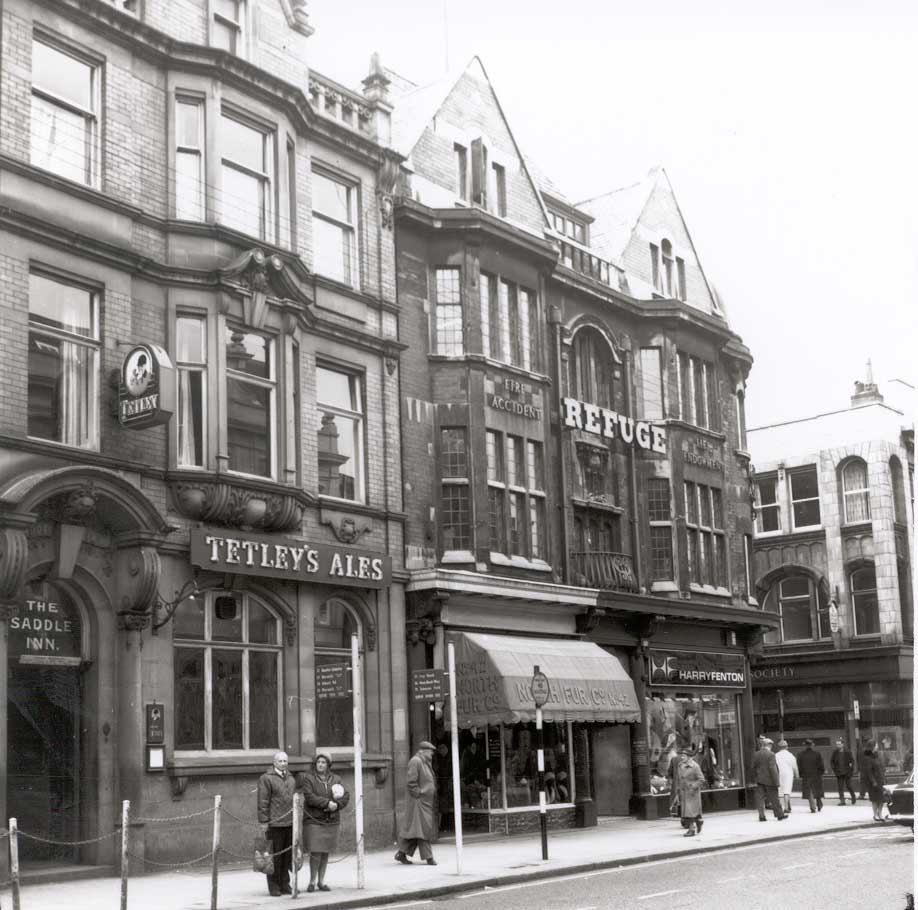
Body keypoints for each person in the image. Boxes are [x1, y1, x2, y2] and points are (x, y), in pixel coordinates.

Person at [296, 754, 349, 893]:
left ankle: (321, 881)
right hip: (314, 820)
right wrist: (327, 803)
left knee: (325, 851)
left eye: (323, 762)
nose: (320, 764)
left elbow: (345, 796)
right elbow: (310, 797)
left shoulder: (336, 779)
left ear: (328, 764)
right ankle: (312, 881)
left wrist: (337, 805)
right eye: (318, 762)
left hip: (331, 820)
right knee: (316, 851)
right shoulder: (309, 778)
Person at [257, 751, 296, 897]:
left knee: (287, 856)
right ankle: (274, 886)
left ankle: (285, 884)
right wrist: (264, 821)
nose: (283, 763)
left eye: (285, 761)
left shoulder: (291, 778)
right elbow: (263, 801)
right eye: (280, 761)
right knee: (273, 857)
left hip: (289, 823)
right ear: (274, 763)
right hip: (274, 823)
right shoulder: (266, 778)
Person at [395, 741, 438, 865]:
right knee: (423, 829)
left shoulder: (424, 761)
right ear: (424, 751)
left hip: (423, 801)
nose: (432, 754)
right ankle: (429, 857)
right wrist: (418, 794)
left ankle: (401, 854)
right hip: (418, 802)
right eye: (430, 752)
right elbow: (411, 782)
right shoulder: (416, 761)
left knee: (417, 829)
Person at [752, 737, 786, 821]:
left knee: (760, 799)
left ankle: (761, 816)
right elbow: (773, 769)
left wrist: (756, 777)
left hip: (759, 780)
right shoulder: (771, 754)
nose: (772, 746)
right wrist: (777, 782)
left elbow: (753, 767)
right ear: (769, 745)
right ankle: (779, 815)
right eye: (771, 745)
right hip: (770, 780)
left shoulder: (756, 754)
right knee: (774, 798)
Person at [675, 746, 705, 836]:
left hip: (692, 793)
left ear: (689, 757)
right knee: (688, 812)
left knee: (690, 812)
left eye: (684, 756)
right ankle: (699, 821)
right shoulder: (680, 765)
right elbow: (679, 779)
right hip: (683, 792)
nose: (682, 757)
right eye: (682, 756)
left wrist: (693, 786)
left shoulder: (695, 766)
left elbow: (701, 779)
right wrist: (678, 790)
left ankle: (691, 830)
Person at [860, 740, 887, 821]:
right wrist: (873, 781)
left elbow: (882, 768)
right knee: (875, 799)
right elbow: (869, 772)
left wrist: (884, 778)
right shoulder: (867, 758)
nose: (877, 747)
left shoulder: (878, 755)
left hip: (881, 780)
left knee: (882, 799)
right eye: (876, 745)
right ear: (873, 747)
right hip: (873, 782)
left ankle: (880, 814)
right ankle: (875, 815)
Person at [797, 738, 825, 813]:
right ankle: (819, 803)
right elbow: (821, 765)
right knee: (817, 789)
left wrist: (801, 774)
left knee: (809, 791)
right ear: (812, 745)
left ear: (805, 745)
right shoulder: (817, 754)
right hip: (816, 775)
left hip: (806, 775)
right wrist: (821, 772)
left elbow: (799, 766)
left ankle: (812, 807)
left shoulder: (800, 754)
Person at [830, 737, 857, 805]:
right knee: (840, 787)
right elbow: (832, 761)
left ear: (842, 744)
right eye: (837, 744)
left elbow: (852, 761)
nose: (837, 745)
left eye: (839, 744)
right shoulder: (835, 752)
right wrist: (834, 769)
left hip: (847, 772)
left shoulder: (847, 752)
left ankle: (853, 797)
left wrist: (851, 769)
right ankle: (842, 801)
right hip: (839, 772)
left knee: (849, 786)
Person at [774, 740, 799, 814]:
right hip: (788, 774)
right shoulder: (790, 755)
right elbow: (794, 766)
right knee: (787, 791)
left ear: (779, 747)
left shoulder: (775, 755)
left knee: (779, 791)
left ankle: (782, 807)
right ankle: (786, 807)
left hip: (778, 774)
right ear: (787, 747)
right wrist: (797, 775)